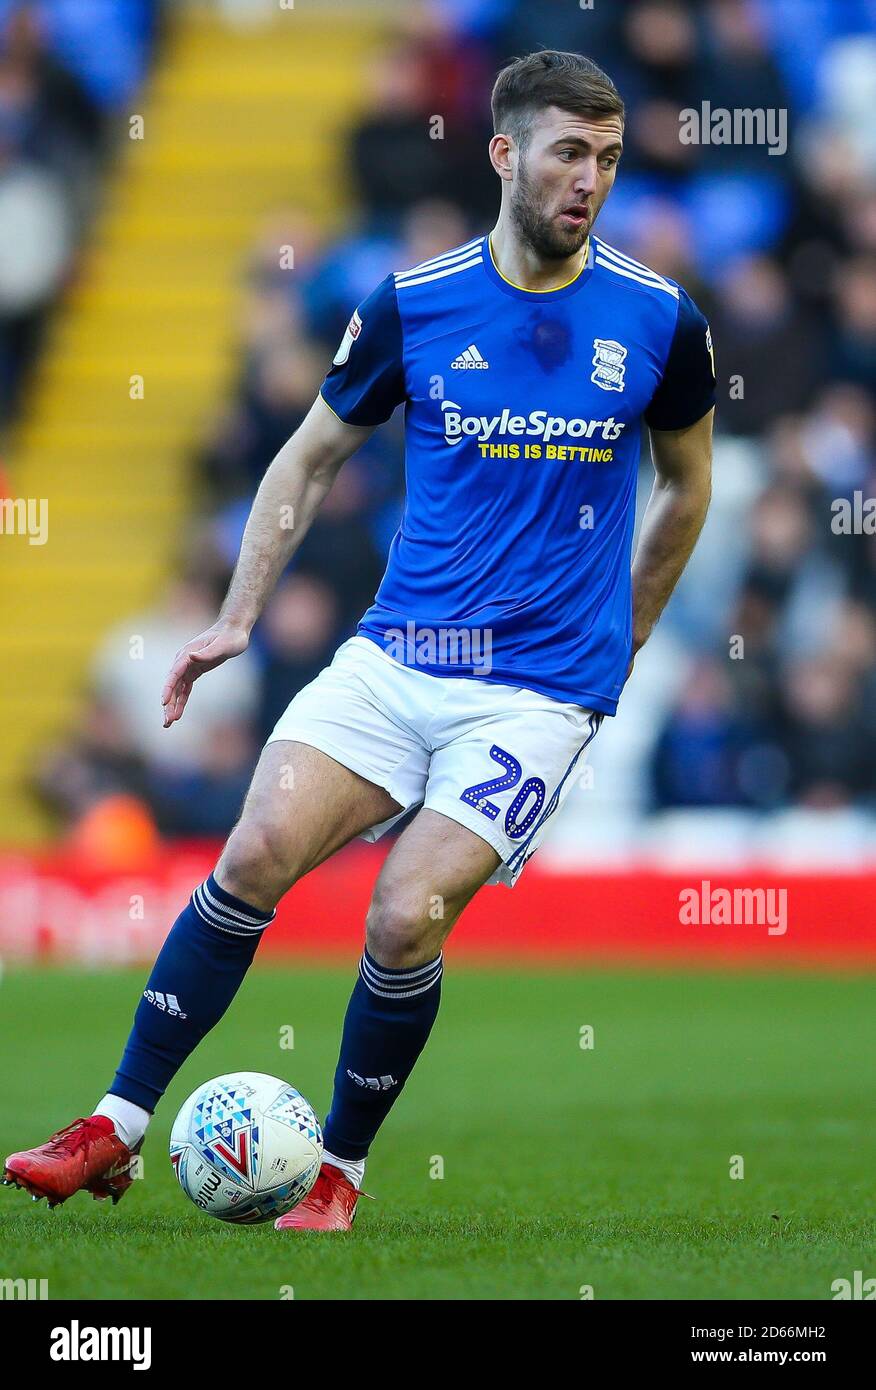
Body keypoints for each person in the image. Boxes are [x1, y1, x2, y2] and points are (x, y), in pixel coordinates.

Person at [4, 50, 715, 1231]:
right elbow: (306, 457)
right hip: (395, 659)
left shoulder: (657, 320)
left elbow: (687, 486)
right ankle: (113, 1128)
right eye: (568, 153)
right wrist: (236, 614)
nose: (589, 180)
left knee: (402, 914)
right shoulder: (415, 302)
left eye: (606, 157)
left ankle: (338, 1172)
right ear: (506, 155)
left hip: (537, 691)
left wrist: (624, 641)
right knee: (254, 852)